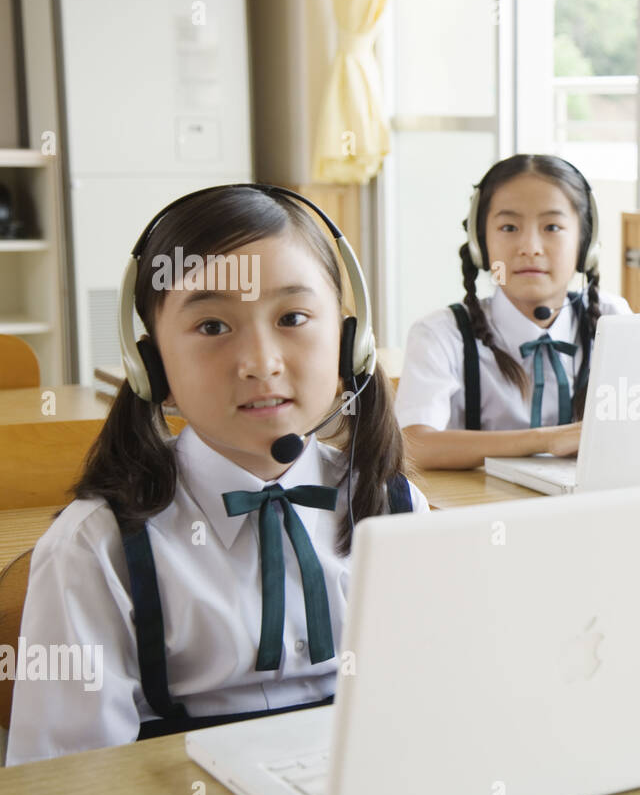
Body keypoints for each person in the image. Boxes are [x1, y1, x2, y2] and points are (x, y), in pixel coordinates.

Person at [5, 185, 427, 765]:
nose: (260, 362)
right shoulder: (96, 549)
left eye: (293, 317)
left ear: (350, 343)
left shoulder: (396, 506)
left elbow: (435, 706)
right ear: (151, 366)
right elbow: (67, 785)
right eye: (212, 327)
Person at [397, 154, 631, 469]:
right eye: (509, 227)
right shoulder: (441, 333)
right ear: (481, 243)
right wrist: (546, 439)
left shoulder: (611, 319)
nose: (530, 246)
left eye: (552, 226)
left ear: (585, 242)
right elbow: (413, 444)